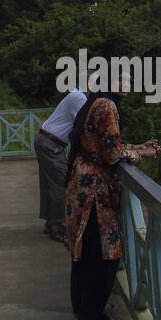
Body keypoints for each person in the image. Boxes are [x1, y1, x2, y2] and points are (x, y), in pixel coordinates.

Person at [62, 91, 161, 320]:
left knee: (85, 251)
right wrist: (141, 154)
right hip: (93, 193)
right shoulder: (107, 106)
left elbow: (105, 144)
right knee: (105, 256)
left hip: (81, 186)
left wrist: (137, 146)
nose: (126, 83)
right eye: (121, 77)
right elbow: (112, 155)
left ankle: (84, 306)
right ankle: (93, 319)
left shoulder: (95, 101)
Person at [37, 87, 91, 237]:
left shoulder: (75, 95)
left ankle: (51, 222)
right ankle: (57, 225)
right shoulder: (80, 99)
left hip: (47, 141)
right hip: (51, 144)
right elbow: (84, 127)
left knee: (49, 184)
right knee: (61, 184)